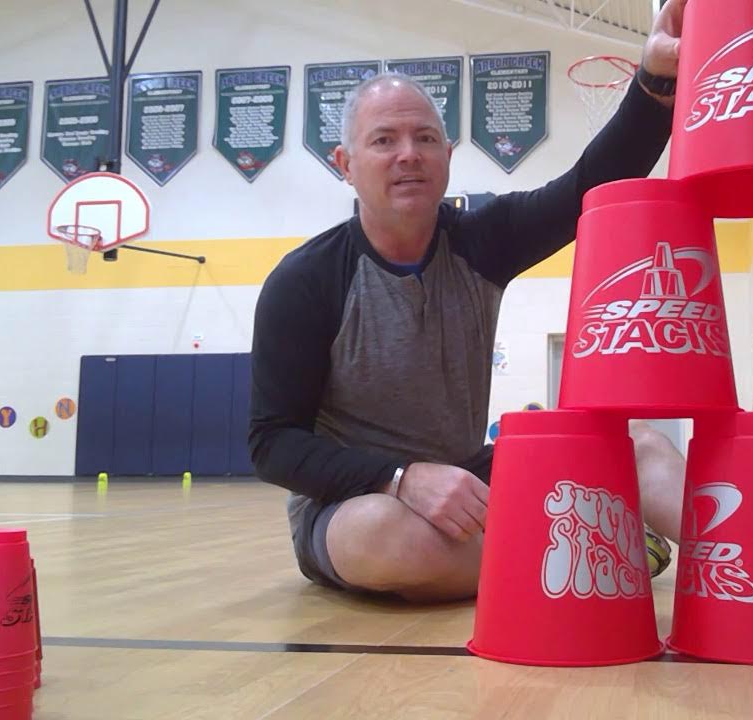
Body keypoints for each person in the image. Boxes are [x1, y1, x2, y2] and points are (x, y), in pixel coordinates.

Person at [249, 0, 690, 602]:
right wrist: (398, 479)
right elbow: (271, 442)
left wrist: (656, 81)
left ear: (447, 157)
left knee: (640, 445)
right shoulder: (304, 281)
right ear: (345, 166)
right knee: (387, 537)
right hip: (357, 503)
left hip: (471, 476)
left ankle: (752, 559)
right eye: (384, 140)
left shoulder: (484, 237)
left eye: (425, 137)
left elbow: (589, 186)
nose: (408, 153)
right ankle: (601, 556)